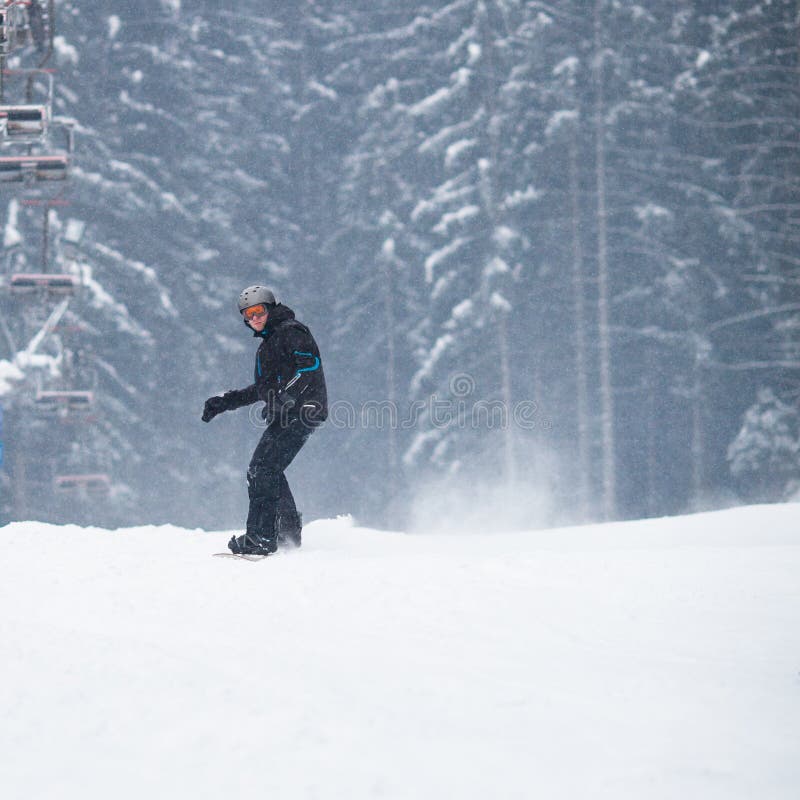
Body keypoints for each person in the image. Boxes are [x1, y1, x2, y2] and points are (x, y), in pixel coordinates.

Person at [202, 286, 327, 555]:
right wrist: (225, 401)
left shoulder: (291, 331)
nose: (254, 319)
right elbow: (262, 389)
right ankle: (287, 534)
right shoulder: (268, 345)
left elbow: (309, 367)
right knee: (267, 469)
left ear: (270, 308)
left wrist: (286, 396)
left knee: (262, 469)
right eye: (248, 315)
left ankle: (261, 538)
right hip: (290, 413)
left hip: (303, 410)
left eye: (258, 312)